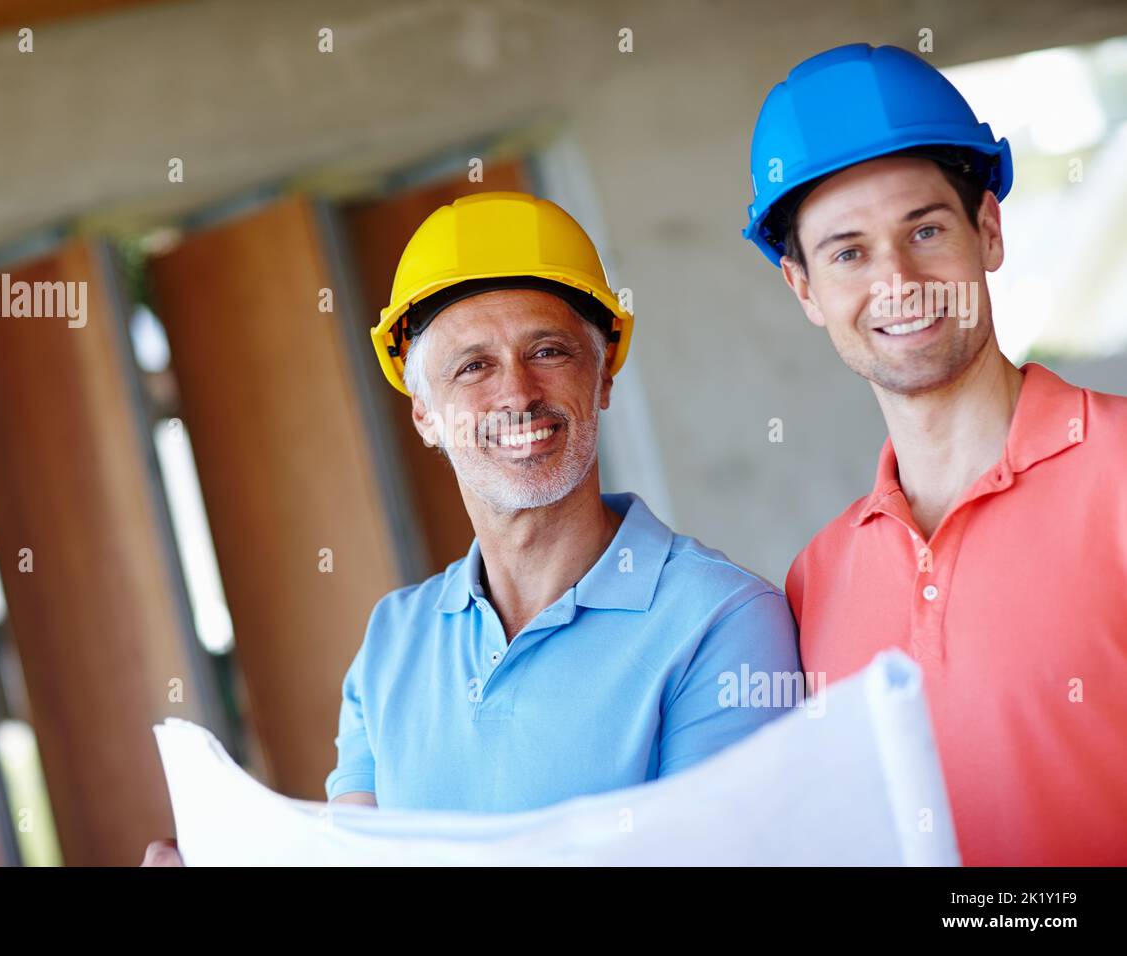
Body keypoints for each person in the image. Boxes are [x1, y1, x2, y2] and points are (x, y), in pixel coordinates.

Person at [144, 191, 800, 863]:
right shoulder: (392, 643)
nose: (517, 392)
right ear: (425, 415)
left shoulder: (722, 621)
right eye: (473, 366)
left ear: (602, 379)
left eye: (548, 351)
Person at [744, 43, 1127, 865]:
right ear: (805, 288)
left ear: (988, 230)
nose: (898, 280)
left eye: (925, 229)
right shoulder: (816, 580)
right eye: (848, 252)